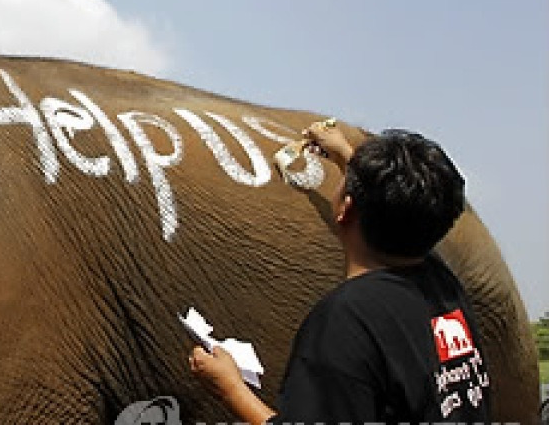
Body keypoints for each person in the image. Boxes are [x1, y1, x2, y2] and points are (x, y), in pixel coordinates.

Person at [189, 122, 492, 423]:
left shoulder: (347, 320)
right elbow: (406, 208)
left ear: (345, 209)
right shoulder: (443, 286)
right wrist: (346, 155)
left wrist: (230, 388)